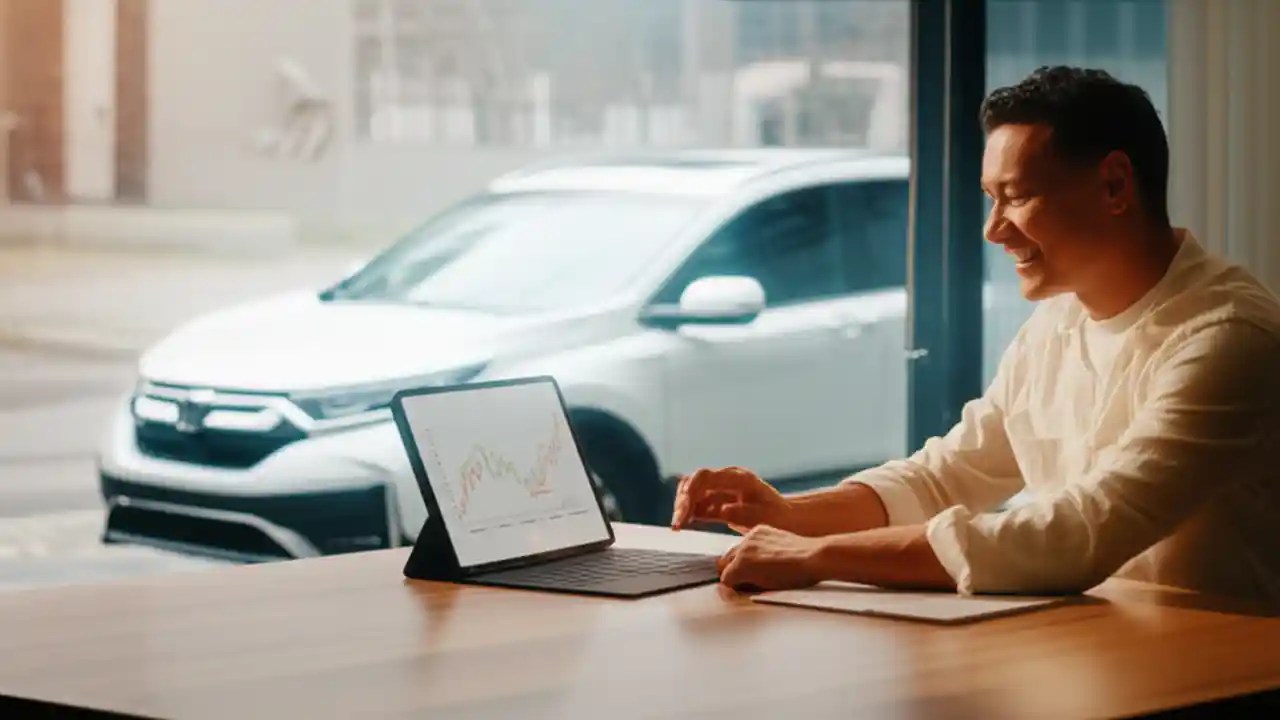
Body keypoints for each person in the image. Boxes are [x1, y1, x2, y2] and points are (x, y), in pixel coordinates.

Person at [671, 66, 1280, 606]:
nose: (993, 230)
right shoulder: (1058, 322)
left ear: (1115, 186)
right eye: (991, 199)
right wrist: (789, 514)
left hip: (1221, 672)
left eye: (1016, 197)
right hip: (1100, 650)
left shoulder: (1229, 338)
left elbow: (1079, 533)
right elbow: (947, 475)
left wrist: (818, 555)